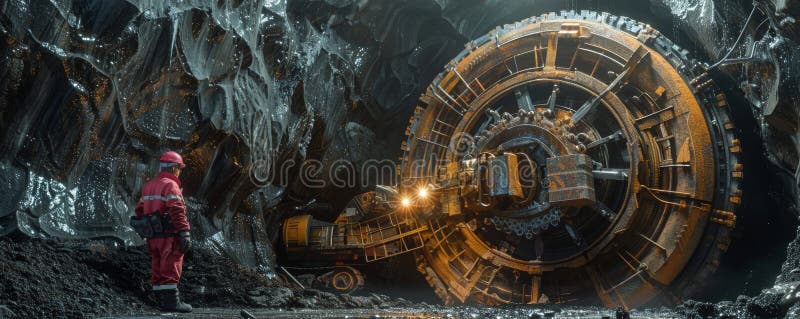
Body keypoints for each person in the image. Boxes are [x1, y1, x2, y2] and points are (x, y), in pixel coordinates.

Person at [134, 151, 193, 313]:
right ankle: (171, 302)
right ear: (174, 168)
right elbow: (176, 209)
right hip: (169, 235)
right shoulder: (170, 185)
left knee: (157, 265)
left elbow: (139, 210)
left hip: (153, 236)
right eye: (180, 169)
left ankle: (159, 300)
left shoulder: (148, 186)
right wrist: (184, 231)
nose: (180, 172)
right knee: (171, 264)